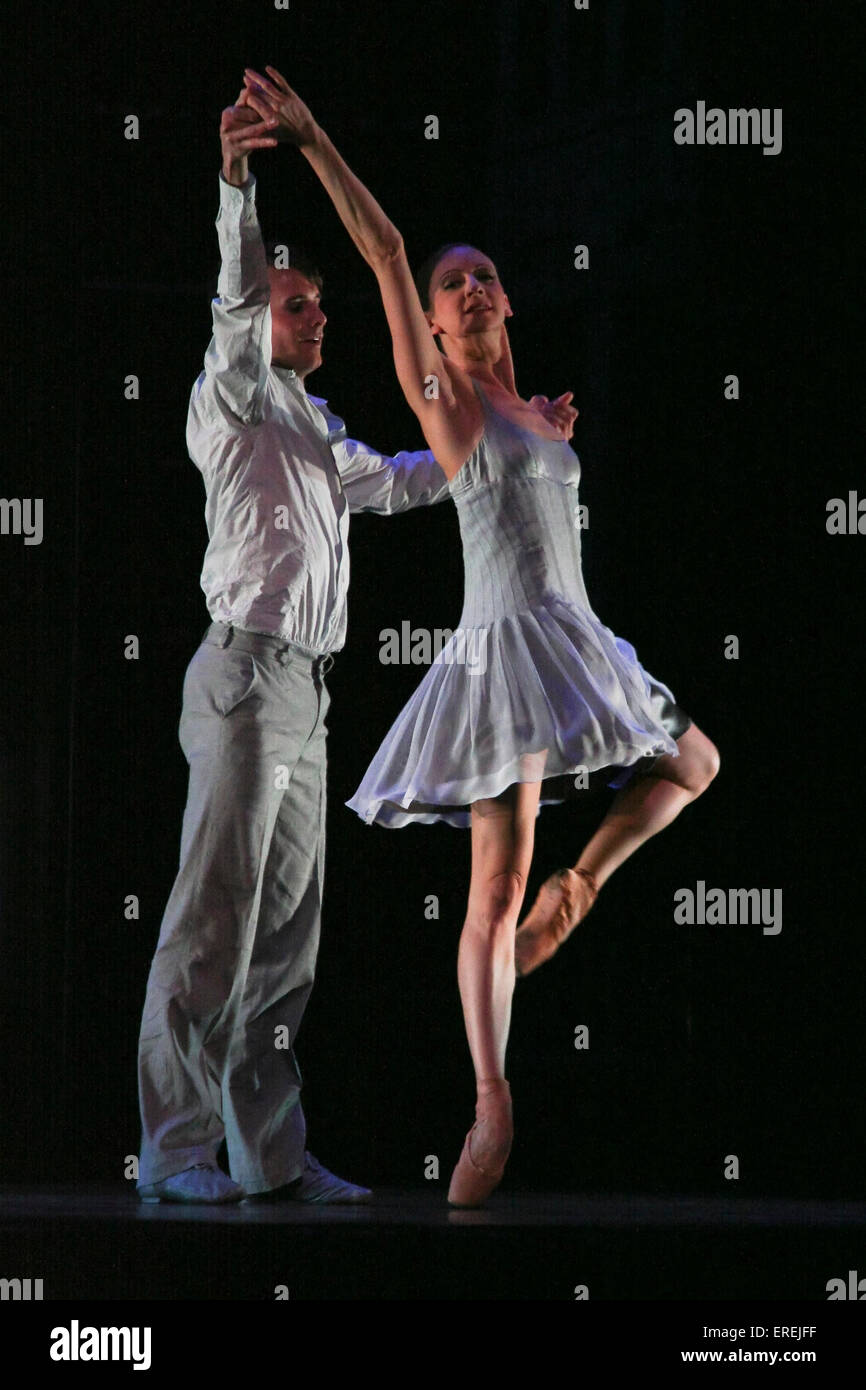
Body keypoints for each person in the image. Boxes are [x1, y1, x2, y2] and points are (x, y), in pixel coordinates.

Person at [240, 67, 720, 1207]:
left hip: (578, 640)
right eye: (452, 285)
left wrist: (551, 430)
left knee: (693, 764)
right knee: (489, 892)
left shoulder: (538, 414)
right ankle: (491, 1097)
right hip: (502, 653)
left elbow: (551, 491)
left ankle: (585, 885)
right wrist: (310, 139)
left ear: (503, 308)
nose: (464, 291)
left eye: (482, 280)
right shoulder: (445, 401)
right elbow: (389, 251)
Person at [135, 86, 459, 1205]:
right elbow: (234, 299)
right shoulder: (229, 396)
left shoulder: (317, 428)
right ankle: (174, 1152)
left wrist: (503, 445)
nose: (319, 317)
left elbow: (410, 481)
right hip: (244, 677)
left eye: (321, 302)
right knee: (210, 923)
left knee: (285, 940)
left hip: (307, 695)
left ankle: (267, 1158)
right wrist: (237, 186)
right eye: (301, 303)